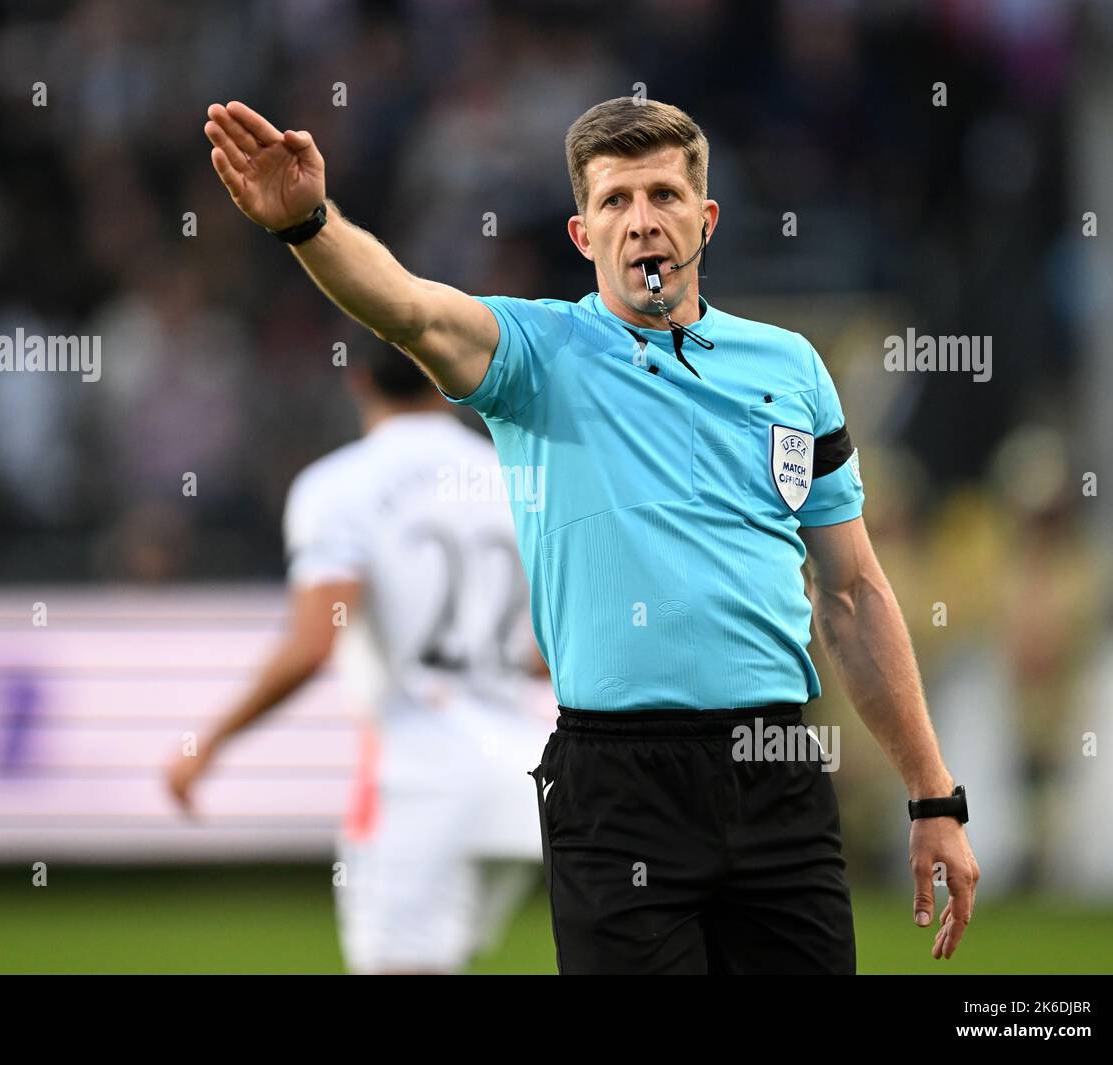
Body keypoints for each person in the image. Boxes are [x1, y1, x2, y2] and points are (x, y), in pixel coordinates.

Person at [201, 94, 980, 974]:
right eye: (615, 201)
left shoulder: (792, 369)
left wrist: (932, 795)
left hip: (777, 769)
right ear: (583, 234)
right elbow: (410, 311)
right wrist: (309, 224)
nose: (642, 222)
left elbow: (851, 593)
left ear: (706, 217)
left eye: (663, 196)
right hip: (616, 786)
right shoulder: (538, 354)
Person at [165, 347, 553, 974]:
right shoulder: (513, 477)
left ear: (357, 377)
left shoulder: (339, 485)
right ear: (447, 378)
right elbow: (542, 654)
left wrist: (208, 742)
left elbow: (316, 640)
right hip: (519, 777)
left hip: (416, 775)